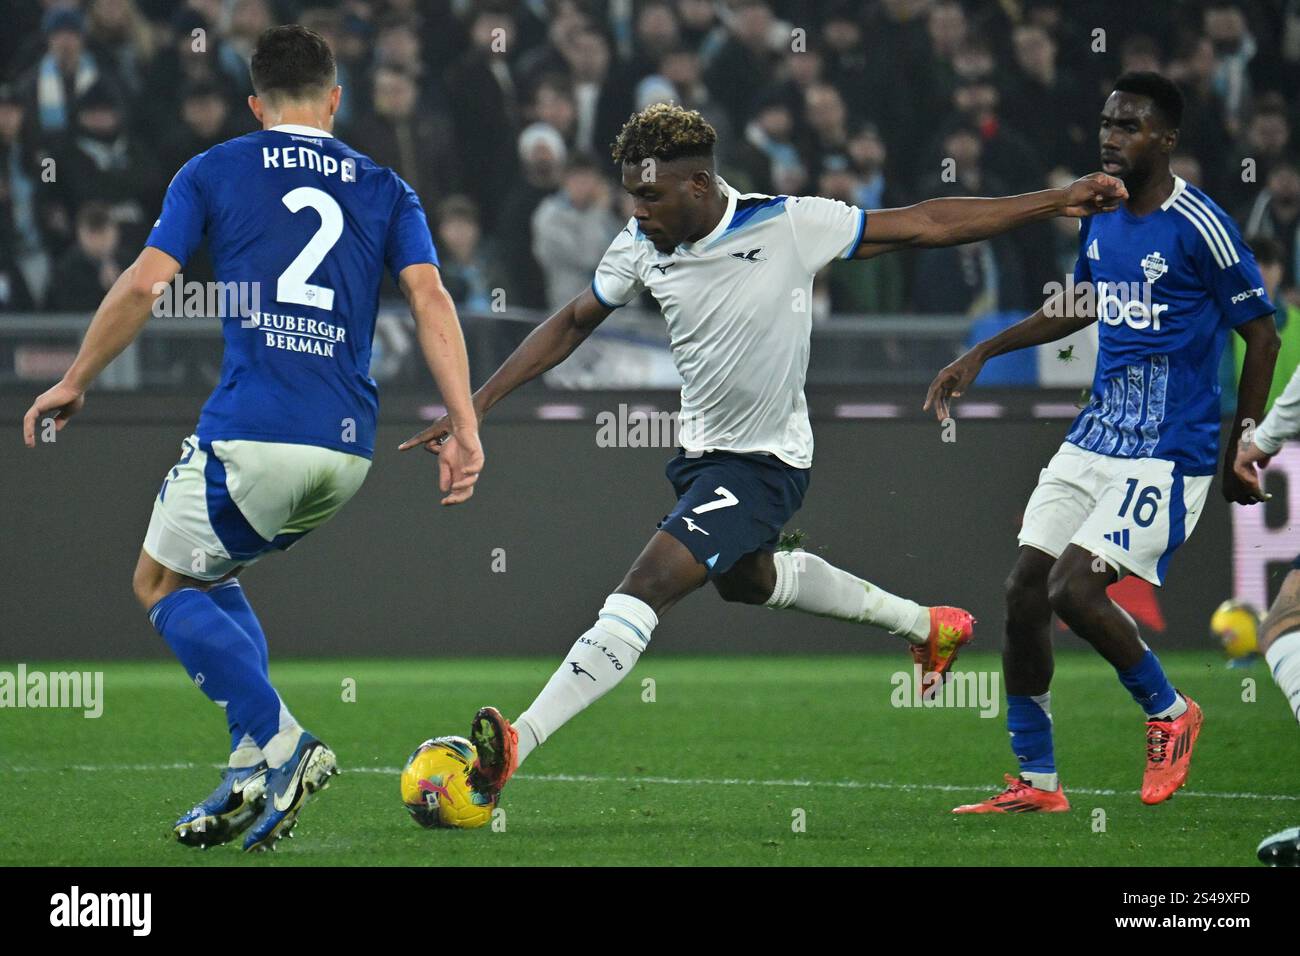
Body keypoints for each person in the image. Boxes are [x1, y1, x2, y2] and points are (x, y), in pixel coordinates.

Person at [399, 102, 1126, 807]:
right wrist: (476, 406)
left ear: (698, 186)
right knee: (748, 580)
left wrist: (1057, 200)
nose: (638, 211)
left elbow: (928, 224)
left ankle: (517, 745)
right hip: (702, 457)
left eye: (649, 196)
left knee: (645, 586)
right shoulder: (639, 245)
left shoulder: (787, 224)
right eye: (631, 196)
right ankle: (927, 626)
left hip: (764, 464)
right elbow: (571, 322)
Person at [20, 25, 482, 851]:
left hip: (256, 431)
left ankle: (284, 744)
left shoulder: (214, 168)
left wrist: (76, 377)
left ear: (254, 105)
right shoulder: (386, 186)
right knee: (217, 573)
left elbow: (145, 283)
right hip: (347, 450)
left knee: (159, 582)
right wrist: (466, 424)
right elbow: (433, 300)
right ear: (336, 99)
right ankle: (243, 771)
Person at [924, 72, 1280, 813]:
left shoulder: (1200, 225)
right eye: (1108, 123)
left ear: (1167, 139)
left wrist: (1242, 439)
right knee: (1024, 591)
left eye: (1130, 127)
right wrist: (985, 351)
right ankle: (1039, 782)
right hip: (1095, 436)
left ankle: (1170, 711)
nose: (1111, 138)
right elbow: (1081, 303)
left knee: (1071, 589)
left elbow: (1262, 332)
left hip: (1168, 448)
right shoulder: (1103, 213)